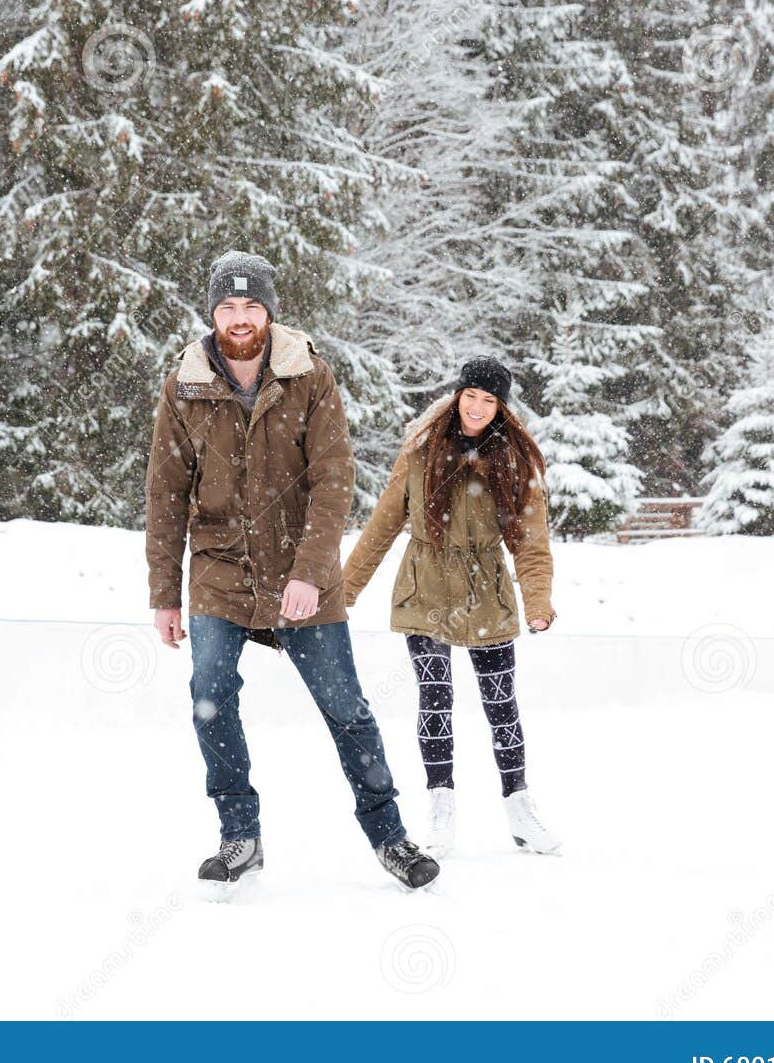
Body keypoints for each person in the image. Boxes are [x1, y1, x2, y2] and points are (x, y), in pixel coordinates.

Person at [144, 250, 441, 890]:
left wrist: (309, 573)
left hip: (300, 570)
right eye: (228, 305)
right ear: (214, 313)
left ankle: (390, 836)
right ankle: (239, 835)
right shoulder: (185, 384)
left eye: (251, 306)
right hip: (219, 569)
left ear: (269, 312)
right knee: (209, 696)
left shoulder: (310, 376)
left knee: (346, 708)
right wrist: (165, 594)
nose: (240, 317)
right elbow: (165, 492)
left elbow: (334, 481)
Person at [341, 355, 562, 857]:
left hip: (487, 593)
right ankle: (442, 808)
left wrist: (538, 601)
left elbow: (530, 540)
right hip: (427, 590)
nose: (478, 407)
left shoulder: (514, 460)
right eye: (471, 396)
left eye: (490, 400)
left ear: (501, 406)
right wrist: (344, 591)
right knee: (435, 694)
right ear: (457, 395)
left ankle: (520, 808)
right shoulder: (421, 452)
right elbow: (382, 526)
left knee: (500, 702)